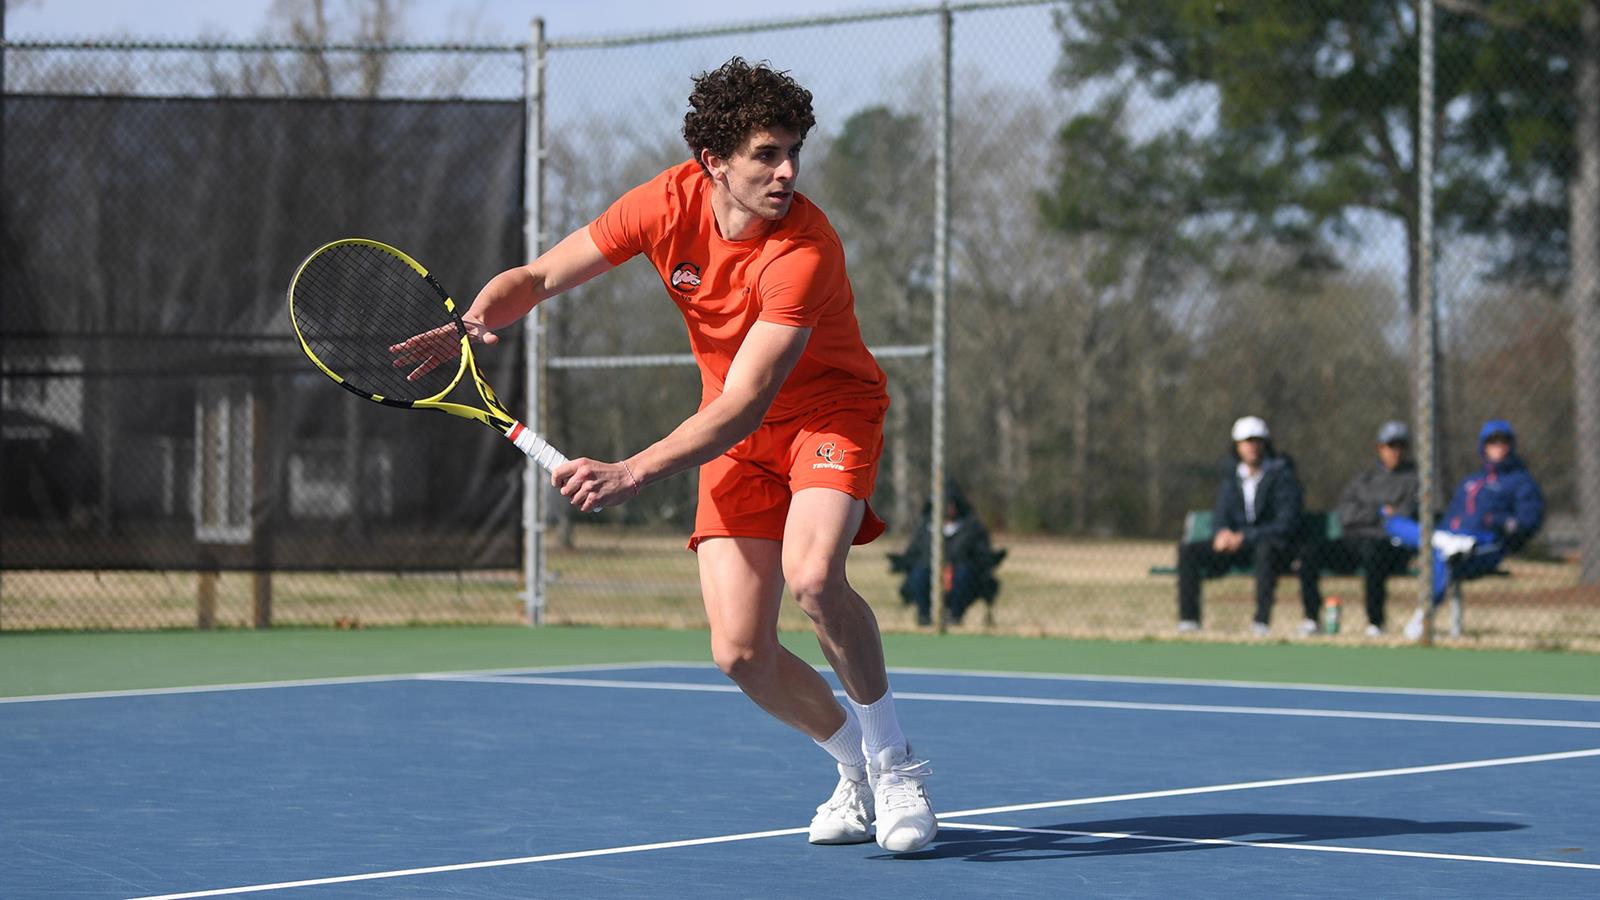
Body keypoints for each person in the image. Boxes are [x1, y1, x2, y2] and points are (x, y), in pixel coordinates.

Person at [390, 58, 935, 853]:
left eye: (793, 153)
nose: (787, 172)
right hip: (733, 438)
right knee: (741, 653)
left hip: (827, 416)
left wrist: (633, 469)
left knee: (814, 577)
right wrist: (476, 318)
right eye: (766, 155)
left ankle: (894, 766)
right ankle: (852, 770)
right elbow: (541, 275)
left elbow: (748, 399)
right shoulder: (664, 203)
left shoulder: (805, 250)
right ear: (713, 161)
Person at [1385, 418, 1545, 640]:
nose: (1498, 447)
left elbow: (1528, 521)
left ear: (1511, 445)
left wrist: (1497, 521)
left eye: (1503, 442)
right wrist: (1445, 533)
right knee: (1394, 523)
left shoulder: (1521, 482)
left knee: (1444, 557)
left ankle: (1423, 621)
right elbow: (1453, 516)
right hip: (1449, 537)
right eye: (1492, 442)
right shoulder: (1471, 481)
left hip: (1484, 545)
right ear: (1483, 446)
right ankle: (1441, 542)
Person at [1175, 415, 1307, 635]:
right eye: (1246, 442)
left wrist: (1246, 537)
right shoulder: (1231, 479)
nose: (1252, 447)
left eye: (1257, 441)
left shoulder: (1282, 476)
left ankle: (1261, 622)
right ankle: (1189, 620)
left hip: (1271, 548)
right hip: (1236, 548)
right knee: (1188, 551)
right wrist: (1221, 533)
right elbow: (1221, 514)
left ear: (1265, 444)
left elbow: (1286, 523)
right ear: (1237, 446)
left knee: (1265, 552)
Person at [1299, 421, 1419, 636]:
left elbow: (1404, 516)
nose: (1395, 452)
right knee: (1309, 553)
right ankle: (1311, 619)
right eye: (1390, 446)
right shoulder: (1364, 479)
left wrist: (1365, 513)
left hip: (1389, 545)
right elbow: (1344, 514)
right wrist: (1380, 511)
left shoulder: (1414, 479)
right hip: (1353, 542)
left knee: (1373, 554)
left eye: (1400, 446)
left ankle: (1375, 623)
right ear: (1380, 448)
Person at [893, 480, 1001, 627]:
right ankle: (925, 616)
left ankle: (954, 615)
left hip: (961, 576)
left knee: (963, 574)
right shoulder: (925, 527)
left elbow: (981, 555)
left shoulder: (971, 527)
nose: (946, 508)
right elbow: (913, 554)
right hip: (929, 572)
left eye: (949, 503)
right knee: (919, 574)